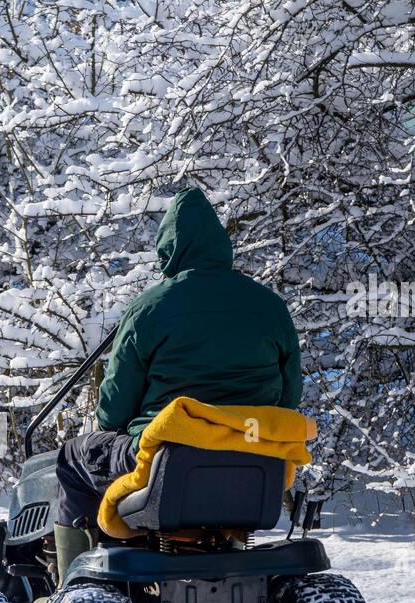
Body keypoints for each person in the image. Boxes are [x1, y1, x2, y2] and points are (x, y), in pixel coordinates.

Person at [53, 187, 303, 577]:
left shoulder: (150, 307)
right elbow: (289, 400)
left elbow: (113, 411)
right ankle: (224, 551)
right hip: (255, 455)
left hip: (166, 456)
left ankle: (72, 585)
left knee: (72, 457)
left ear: (168, 249)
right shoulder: (270, 306)